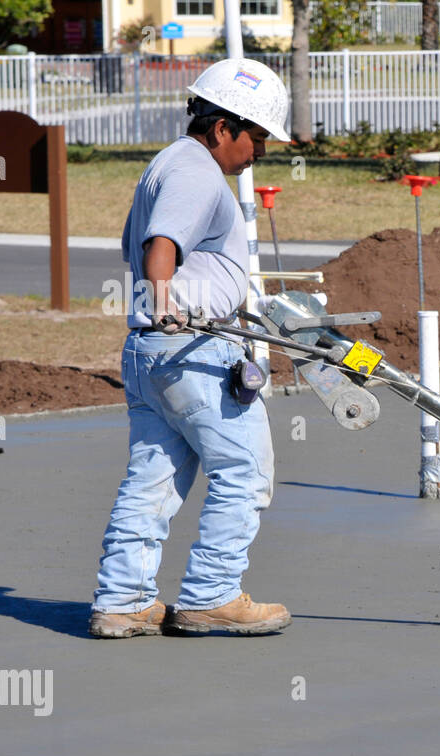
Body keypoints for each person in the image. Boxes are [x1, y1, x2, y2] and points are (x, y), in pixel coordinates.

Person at [89, 58, 293, 638]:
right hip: (192, 350)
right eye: (257, 138)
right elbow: (162, 245)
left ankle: (123, 602)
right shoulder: (197, 171)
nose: (259, 154)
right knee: (244, 469)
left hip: (150, 353)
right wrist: (166, 299)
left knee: (151, 478)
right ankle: (212, 594)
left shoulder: (166, 165)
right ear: (223, 126)